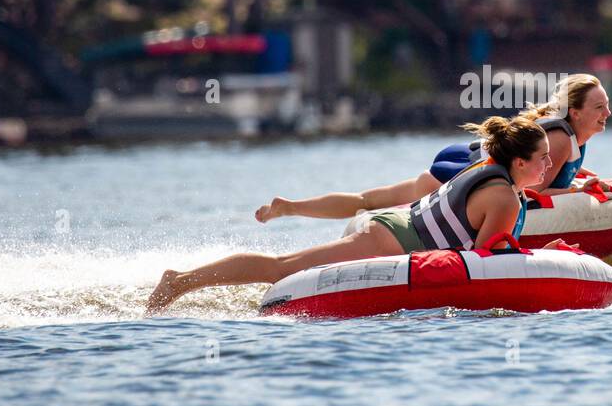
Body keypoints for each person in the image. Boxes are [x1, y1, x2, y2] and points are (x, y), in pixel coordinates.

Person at [145, 116, 565, 314]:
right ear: (519, 161)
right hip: (390, 239)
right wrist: (549, 253)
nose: (549, 168)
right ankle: (180, 282)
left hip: (395, 230)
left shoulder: (492, 176)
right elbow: (485, 257)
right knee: (281, 268)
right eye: (543, 159)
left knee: (284, 266)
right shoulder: (505, 198)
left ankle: (183, 281)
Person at [255, 73, 612, 225]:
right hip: (465, 169)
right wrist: (579, 189)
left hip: (467, 157)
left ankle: (291, 207)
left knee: (370, 199)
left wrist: (584, 179)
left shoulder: (572, 138)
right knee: (372, 203)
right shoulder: (559, 138)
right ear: (575, 112)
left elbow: (548, 173)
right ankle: (291, 208)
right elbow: (534, 185)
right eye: (599, 108)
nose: (607, 114)